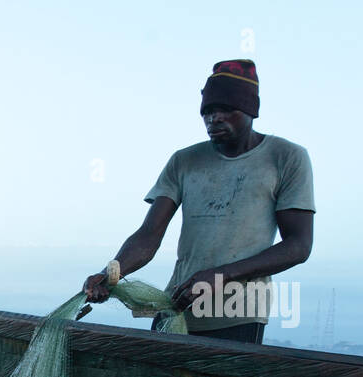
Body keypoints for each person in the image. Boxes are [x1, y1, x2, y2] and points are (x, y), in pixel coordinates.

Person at [82, 59, 315, 343]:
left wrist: (221, 276)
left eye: (226, 109)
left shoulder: (286, 158)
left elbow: (298, 246)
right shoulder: (185, 161)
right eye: (207, 111)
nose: (214, 118)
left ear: (250, 110)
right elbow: (148, 236)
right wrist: (111, 273)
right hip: (175, 309)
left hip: (237, 314)